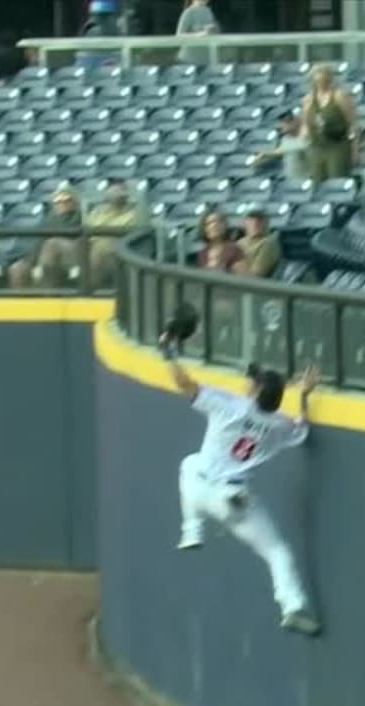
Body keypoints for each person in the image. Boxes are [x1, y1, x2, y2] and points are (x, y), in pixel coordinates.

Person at [158, 331, 323, 637]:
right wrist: (303, 394)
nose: (249, 382)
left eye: (255, 381)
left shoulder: (230, 405)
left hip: (201, 486)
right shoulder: (280, 424)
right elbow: (302, 430)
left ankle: (192, 528)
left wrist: (168, 353)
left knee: (188, 464)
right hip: (236, 499)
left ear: (256, 390)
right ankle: (292, 606)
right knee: (278, 551)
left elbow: (184, 384)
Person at [10, 182, 83, 288]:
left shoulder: (80, 217)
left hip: (71, 257)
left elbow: (72, 235)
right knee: (18, 268)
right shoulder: (49, 219)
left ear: (74, 202)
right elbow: (39, 242)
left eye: (66, 200)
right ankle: (20, 302)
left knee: (52, 245)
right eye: (57, 201)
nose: (61, 203)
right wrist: (30, 262)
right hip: (45, 258)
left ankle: (47, 296)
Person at [301, 63, 357, 182]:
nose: (321, 78)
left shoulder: (339, 96)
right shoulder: (307, 100)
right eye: (317, 75)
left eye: (324, 74)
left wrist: (354, 149)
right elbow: (305, 125)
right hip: (316, 147)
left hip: (337, 146)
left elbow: (353, 124)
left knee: (337, 179)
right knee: (317, 182)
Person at [87, 183, 143, 285]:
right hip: (88, 247)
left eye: (119, 192)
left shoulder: (133, 215)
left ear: (126, 196)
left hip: (117, 252)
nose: (115, 196)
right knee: (54, 244)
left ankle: (89, 291)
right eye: (112, 193)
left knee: (101, 246)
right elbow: (86, 231)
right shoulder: (96, 213)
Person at [252, 112, 310, 181]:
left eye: (283, 126)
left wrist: (266, 154)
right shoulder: (285, 138)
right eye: (280, 128)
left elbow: (287, 149)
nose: (281, 130)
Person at [233, 209, 281, 278]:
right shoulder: (240, 242)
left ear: (266, 222)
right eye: (251, 219)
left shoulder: (268, 243)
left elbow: (255, 276)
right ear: (244, 223)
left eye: (260, 219)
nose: (255, 222)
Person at [176, 0, 219, 65]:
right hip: (189, 60)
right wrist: (199, 35)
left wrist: (213, 30)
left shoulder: (208, 11)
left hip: (206, 59)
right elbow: (179, 36)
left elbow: (213, 31)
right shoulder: (188, 12)